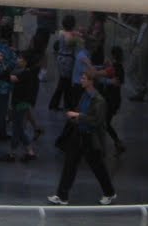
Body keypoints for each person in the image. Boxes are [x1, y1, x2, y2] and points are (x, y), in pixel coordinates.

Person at [48, 68, 117, 205]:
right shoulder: (84, 95)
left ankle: (109, 192)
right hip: (78, 134)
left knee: (98, 167)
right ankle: (62, 196)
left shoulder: (99, 101)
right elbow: (80, 111)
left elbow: (96, 120)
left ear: (91, 82)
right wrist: (75, 117)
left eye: (84, 78)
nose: (81, 80)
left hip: (90, 138)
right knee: (69, 164)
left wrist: (78, 116)